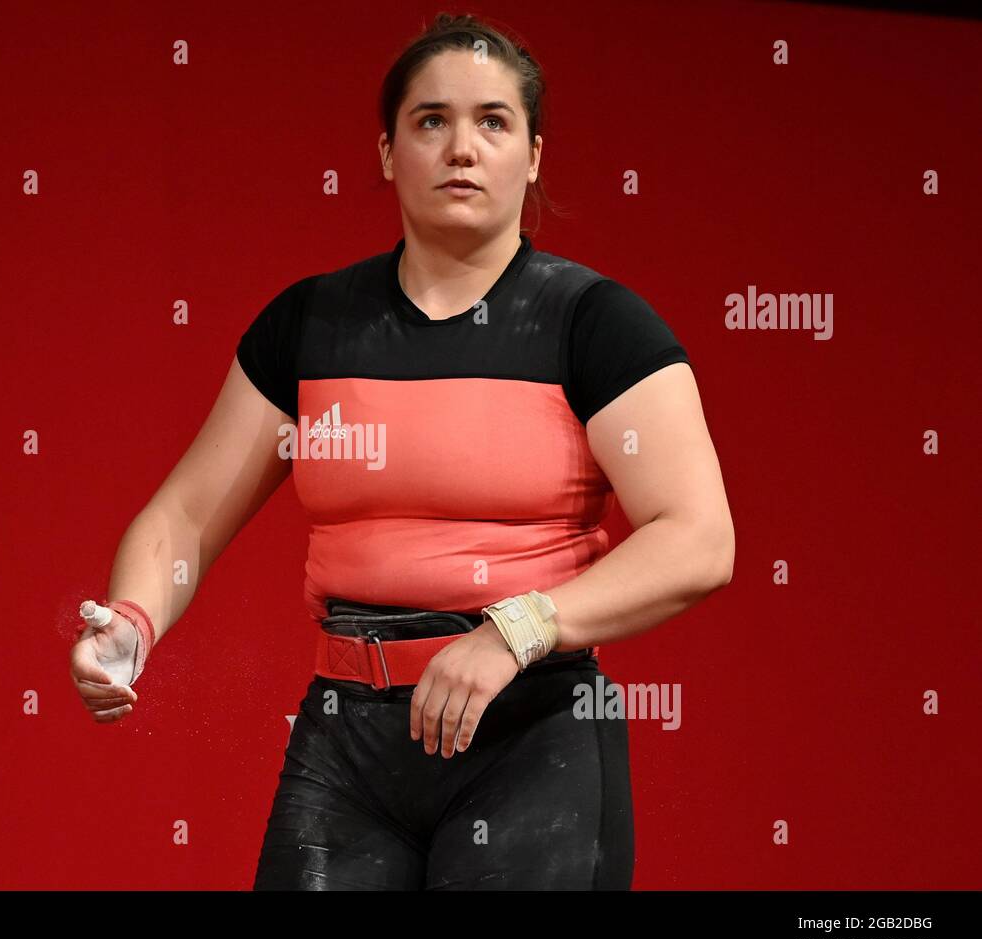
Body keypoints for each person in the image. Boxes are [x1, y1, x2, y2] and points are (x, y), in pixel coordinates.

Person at [68, 13, 734, 890]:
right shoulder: (310, 325)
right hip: (347, 740)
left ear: (534, 156)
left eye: (494, 122)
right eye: (432, 121)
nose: (462, 146)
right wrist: (131, 622)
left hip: (532, 735)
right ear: (387, 152)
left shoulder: (597, 324)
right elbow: (186, 513)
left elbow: (699, 537)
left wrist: (517, 630)